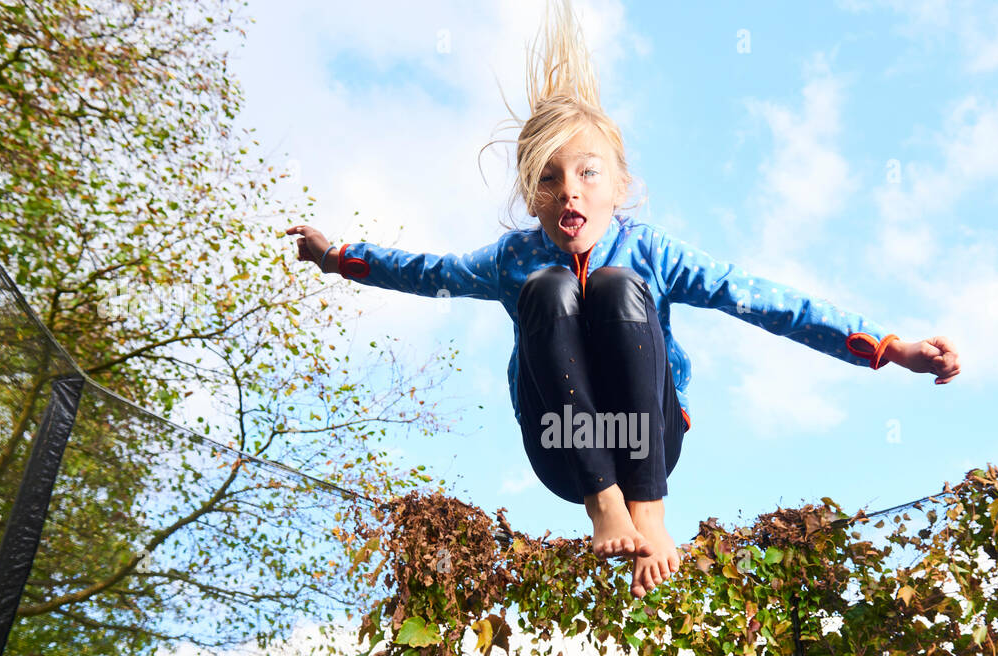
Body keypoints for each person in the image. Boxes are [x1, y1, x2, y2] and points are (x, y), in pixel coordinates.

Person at [286, 0, 960, 599]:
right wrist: (338, 256)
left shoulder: (652, 252)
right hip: (562, 446)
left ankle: (649, 510)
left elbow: (757, 298)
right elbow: (427, 270)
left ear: (619, 184)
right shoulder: (513, 260)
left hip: (651, 441)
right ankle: (604, 500)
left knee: (615, 287)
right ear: (531, 196)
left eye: (586, 173)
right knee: (547, 289)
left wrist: (887, 346)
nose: (569, 191)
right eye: (549, 180)